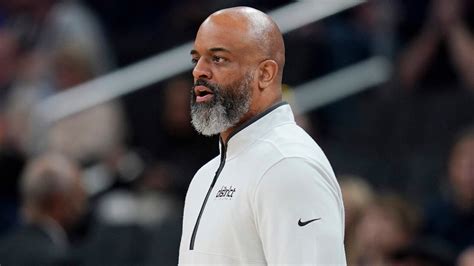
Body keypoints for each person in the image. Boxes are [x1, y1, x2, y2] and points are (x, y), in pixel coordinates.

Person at [179, 6, 346, 265]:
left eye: (218, 59)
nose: (198, 71)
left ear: (265, 74)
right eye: (196, 59)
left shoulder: (288, 165)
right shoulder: (205, 175)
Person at [0, 153, 87, 265]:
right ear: (58, 202)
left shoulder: (3, 249)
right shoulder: (59, 260)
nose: (83, 205)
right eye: (78, 195)